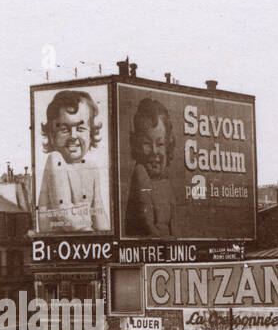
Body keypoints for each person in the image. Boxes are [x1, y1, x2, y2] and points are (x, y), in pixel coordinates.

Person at [37, 89, 108, 233]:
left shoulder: (92, 167)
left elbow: (97, 208)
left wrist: (106, 233)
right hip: (60, 238)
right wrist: (88, 232)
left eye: (81, 128)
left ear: (91, 133)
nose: (73, 136)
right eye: (64, 129)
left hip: (84, 237)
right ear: (52, 135)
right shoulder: (55, 160)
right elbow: (62, 208)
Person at [123, 97, 184, 237]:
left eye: (160, 144)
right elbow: (147, 225)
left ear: (168, 145)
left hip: (167, 250)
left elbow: (175, 227)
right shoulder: (140, 173)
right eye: (147, 144)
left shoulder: (166, 182)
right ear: (137, 145)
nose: (155, 151)